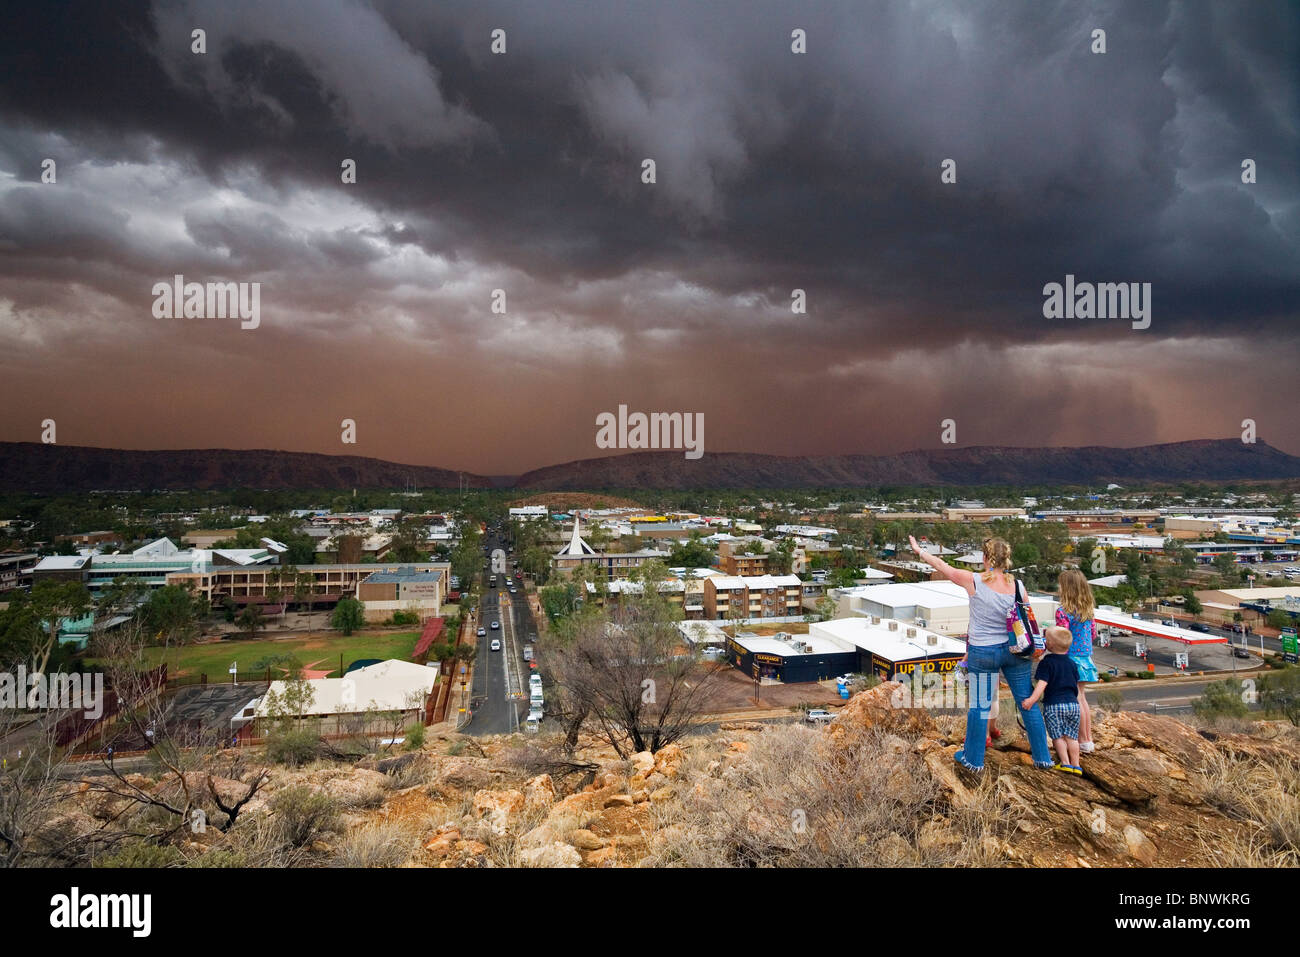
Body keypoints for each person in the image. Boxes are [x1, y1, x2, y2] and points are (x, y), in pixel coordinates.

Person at [909, 534, 1054, 775]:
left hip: (983, 652)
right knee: (1027, 702)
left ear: (985, 558)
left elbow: (941, 566)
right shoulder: (1017, 586)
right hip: (1014, 651)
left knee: (980, 706)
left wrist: (919, 551)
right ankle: (1042, 758)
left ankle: (973, 760)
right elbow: (1030, 620)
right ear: (1006, 559)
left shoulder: (973, 581)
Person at [1022, 626, 1082, 773]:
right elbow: (1075, 684)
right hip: (1073, 705)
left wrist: (1031, 700)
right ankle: (1076, 765)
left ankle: (1065, 762)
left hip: (1054, 705)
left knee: (1058, 736)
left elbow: (1042, 685)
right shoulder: (1072, 663)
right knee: (1072, 737)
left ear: (1048, 645)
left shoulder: (1047, 663)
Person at [1055, 568, 1099, 752]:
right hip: (1085, 659)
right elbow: (1093, 634)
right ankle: (1087, 739)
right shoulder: (1088, 611)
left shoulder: (1063, 612)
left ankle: (1081, 740)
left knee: (1075, 700)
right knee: (1082, 699)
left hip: (1070, 660)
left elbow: (1062, 637)